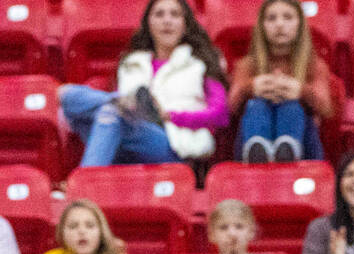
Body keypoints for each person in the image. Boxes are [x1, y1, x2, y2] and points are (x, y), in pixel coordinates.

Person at [58, 0, 228, 168]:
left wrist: (169, 116)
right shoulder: (131, 63)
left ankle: (85, 185)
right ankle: (138, 107)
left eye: (175, 14)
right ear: (148, 23)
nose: (167, 21)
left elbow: (220, 114)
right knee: (75, 99)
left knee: (106, 108)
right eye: (159, 14)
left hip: (173, 144)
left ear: (186, 24)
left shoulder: (201, 63)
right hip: (127, 134)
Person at [229, 0, 335, 163]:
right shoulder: (247, 65)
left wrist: (300, 92)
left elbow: (327, 108)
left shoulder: (314, 65)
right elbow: (229, 108)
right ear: (261, 26)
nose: (279, 24)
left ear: (300, 24)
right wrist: (251, 89)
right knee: (256, 106)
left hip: (305, 149)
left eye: (288, 17)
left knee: (291, 106)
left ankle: (288, 150)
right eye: (271, 18)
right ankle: (257, 150)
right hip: (247, 146)